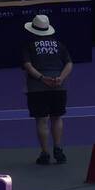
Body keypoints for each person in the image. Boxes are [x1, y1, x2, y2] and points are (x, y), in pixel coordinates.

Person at [21, 14, 72, 165]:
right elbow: (69, 64)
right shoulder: (59, 44)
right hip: (58, 87)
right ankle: (58, 149)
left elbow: (27, 66)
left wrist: (42, 78)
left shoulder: (28, 45)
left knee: (42, 120)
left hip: (38, 88)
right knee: (57, 117)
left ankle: (45, 153)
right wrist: (61, 78)